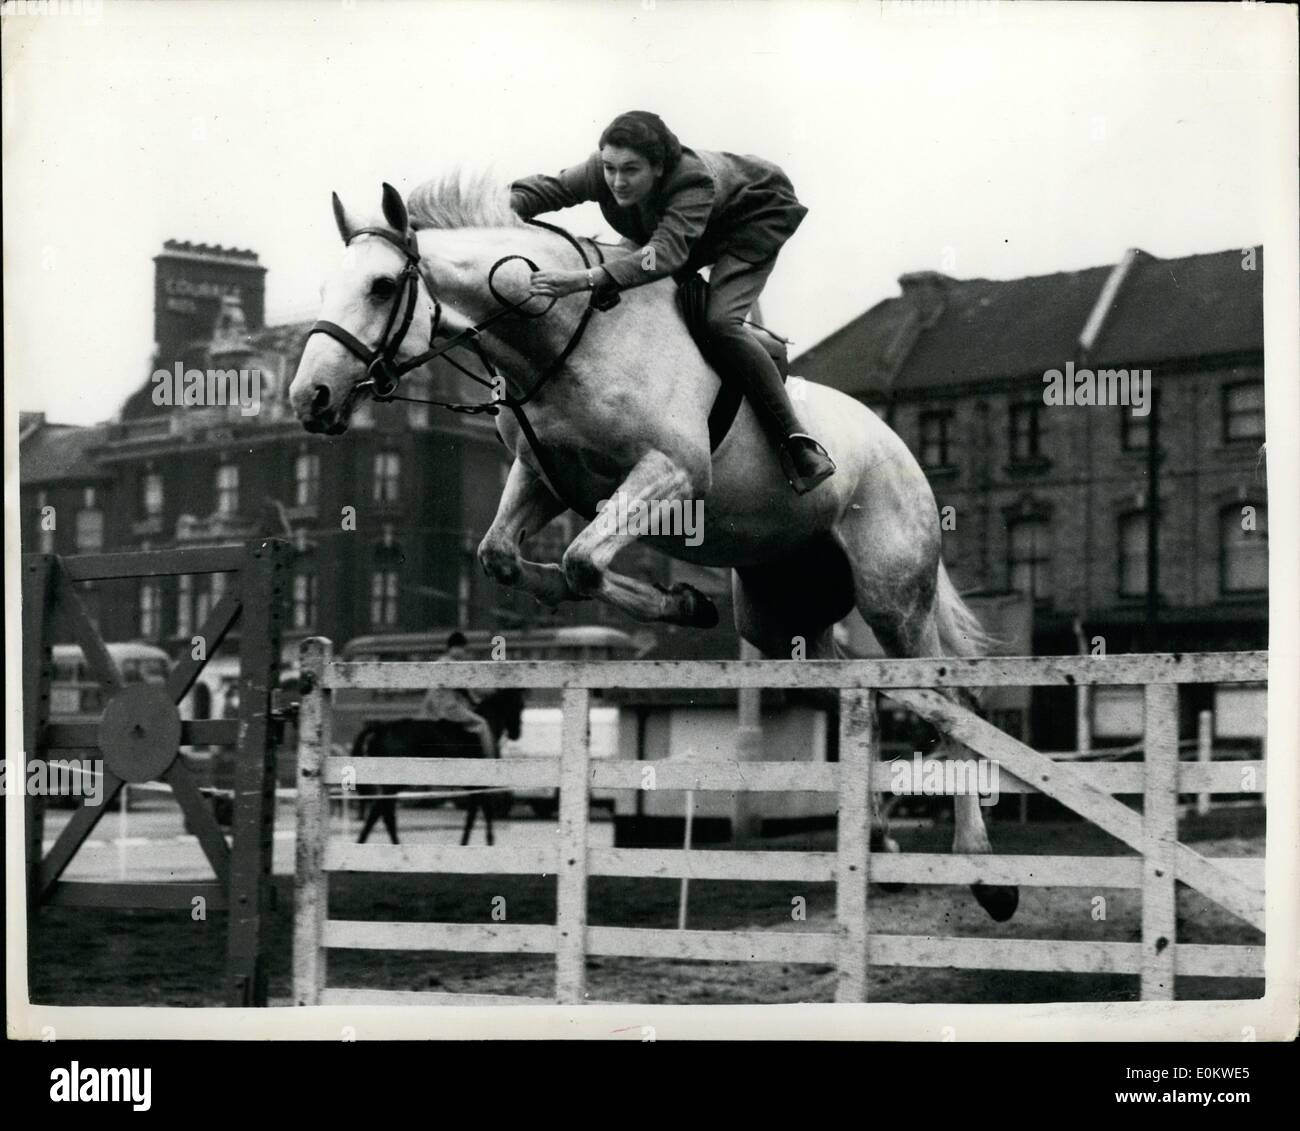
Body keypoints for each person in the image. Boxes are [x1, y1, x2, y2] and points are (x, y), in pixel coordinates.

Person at [510, 110, 836, 495]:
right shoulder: (602, 169)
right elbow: (546, 190)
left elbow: (661, 256)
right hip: (679, 227)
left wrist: (583, 279)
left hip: (754, 218)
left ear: (660, 167)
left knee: (719, 322)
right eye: (610, 168)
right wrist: (488, 211)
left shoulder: (692, 182)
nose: (616, 181)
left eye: (630, 170)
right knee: (623, 280)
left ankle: (796, 440)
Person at [419, 631, 494, 759]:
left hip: (433, 710)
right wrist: (478, 698)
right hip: (448, 710)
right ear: (454, 648)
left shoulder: (439, 662)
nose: (464, 653)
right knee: (483, 724)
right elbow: (464, 689)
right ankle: (491, 761)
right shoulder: (451, 664)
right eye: (462, 649)